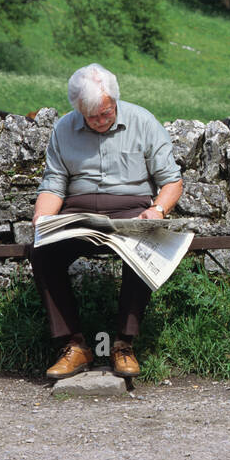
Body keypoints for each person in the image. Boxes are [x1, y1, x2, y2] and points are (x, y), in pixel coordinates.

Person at [31, 64, 183, 380]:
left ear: (115, 100)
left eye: (106, 113)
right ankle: (73, 346)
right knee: (42, 251)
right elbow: (54, 184)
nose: (101, 121)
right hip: (78, 214)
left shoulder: (143, 121)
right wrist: (42, 219)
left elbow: (171, 182)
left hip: (132, 212)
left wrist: (157, 210)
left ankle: (124, 345)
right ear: (78, 111)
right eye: (92, 117)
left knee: (144, 244)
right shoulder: (63, 129)